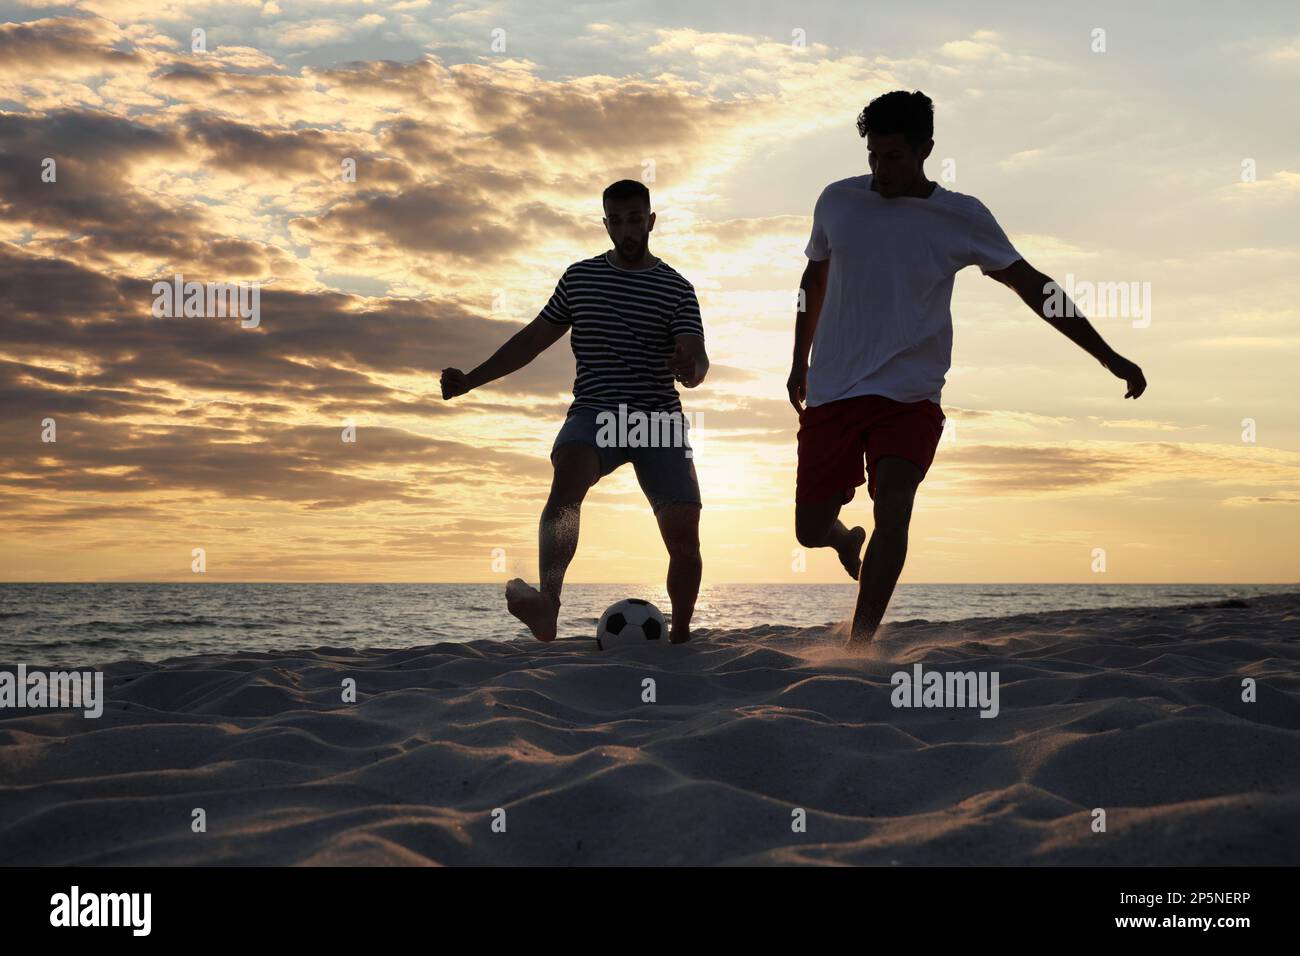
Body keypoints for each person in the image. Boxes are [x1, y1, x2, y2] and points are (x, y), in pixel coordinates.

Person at [788, 90, 1147, 648]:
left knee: (896, 510)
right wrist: (797, 361)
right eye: (873, 155)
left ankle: (858, 646)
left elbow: (1033, 285)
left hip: (909, 394)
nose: (881, 169)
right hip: (834, 388)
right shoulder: (837, 201)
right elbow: (814, 282)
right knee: (808, 529)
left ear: (926, 149)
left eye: (894, 157)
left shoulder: (961, 216)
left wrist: (1107, 354)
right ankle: (840, 540)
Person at [441, 180, 709, 643]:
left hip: (657, 418)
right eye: (617, 221)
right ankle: (549, 604)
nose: (627, 230)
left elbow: (696, 358)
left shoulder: (676, 288)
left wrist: (689, 367)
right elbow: (530, 341)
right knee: (568, 476)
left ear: (651, 221)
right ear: (607, 225)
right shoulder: (580, 279)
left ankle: (681, 635)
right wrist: (470, 381)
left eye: (635, 219)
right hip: (596, 410)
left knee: (684, 540)